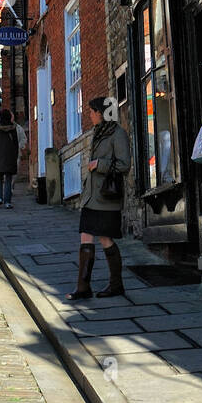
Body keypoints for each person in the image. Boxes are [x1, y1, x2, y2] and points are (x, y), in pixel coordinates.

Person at [67, 96, 132, 301]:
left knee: (105, 239)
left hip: (106, 197)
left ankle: (116, 285)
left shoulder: (117, 134)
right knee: (86, 236)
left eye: (92, 112)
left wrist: (99, 164)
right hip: (91, 197)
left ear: (102, 113)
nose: (90, 115)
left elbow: (124, 164)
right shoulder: (98, 132)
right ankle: (83, 287)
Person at [0, 108, 19, 209]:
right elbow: (16, 143)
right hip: (10, 155)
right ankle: (7, 201)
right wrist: (15, 155)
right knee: (8, 179)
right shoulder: (13, 127)